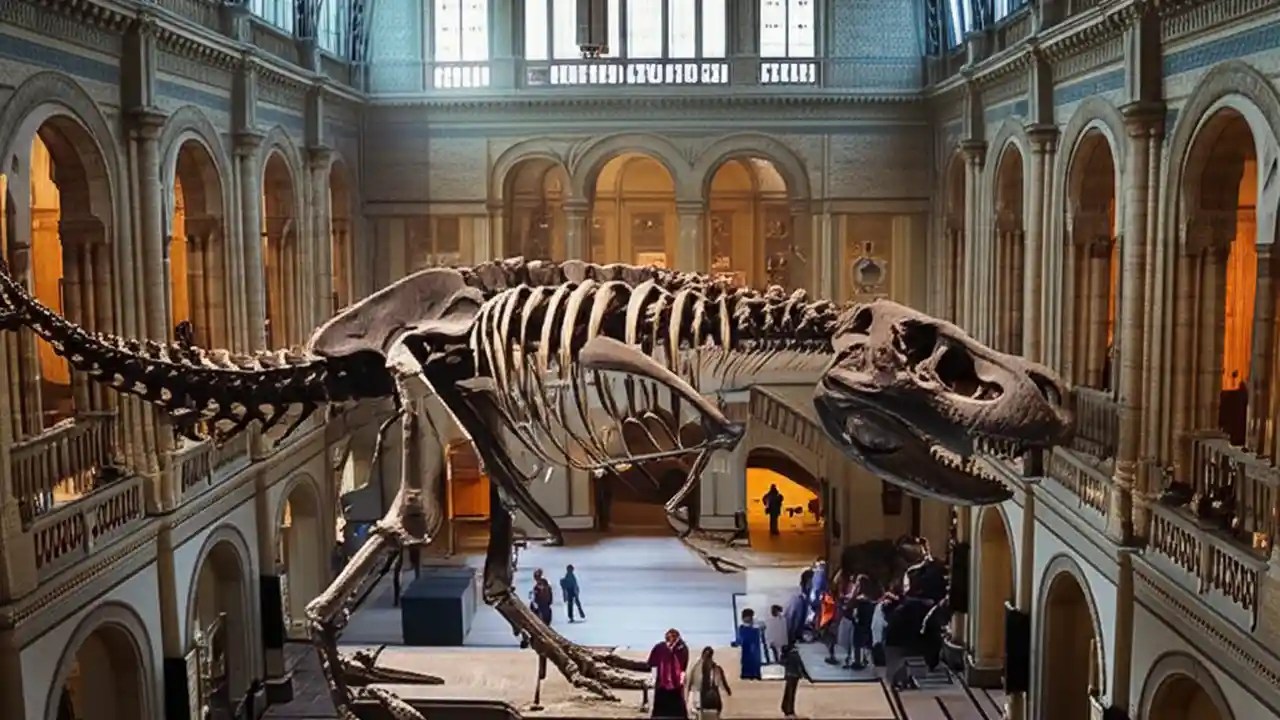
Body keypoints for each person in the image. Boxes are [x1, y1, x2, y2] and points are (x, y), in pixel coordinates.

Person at [648, 629, 690, 719]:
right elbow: (653, 665)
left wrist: (682, 679)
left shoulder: (682, 648)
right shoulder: (660, 648)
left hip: (675, 685)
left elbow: (683, 667)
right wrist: (653, 678)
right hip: (663, 684)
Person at [685, 646, 732, 720]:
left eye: (708, 655)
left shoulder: (713, 667)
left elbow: (690, 682)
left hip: (709, 699)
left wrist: (727, 689)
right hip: (703, 698)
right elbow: (690, 682)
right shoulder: (698, 666)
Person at [780, 644, 814, 719]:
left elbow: (782, 663)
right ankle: (790, 711)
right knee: (791, 694)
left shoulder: (787, 655)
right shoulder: (795, 655)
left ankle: (785, 708)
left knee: (787, 693)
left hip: (788, 675)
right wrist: (808, 678)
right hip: (794, 676)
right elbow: (801, 667)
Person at [735, 609, 763, 679]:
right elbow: (740, 640)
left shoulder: (754, 629)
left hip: (752, 655)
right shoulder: (751, 629)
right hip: (750, 655)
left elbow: (739, 641)